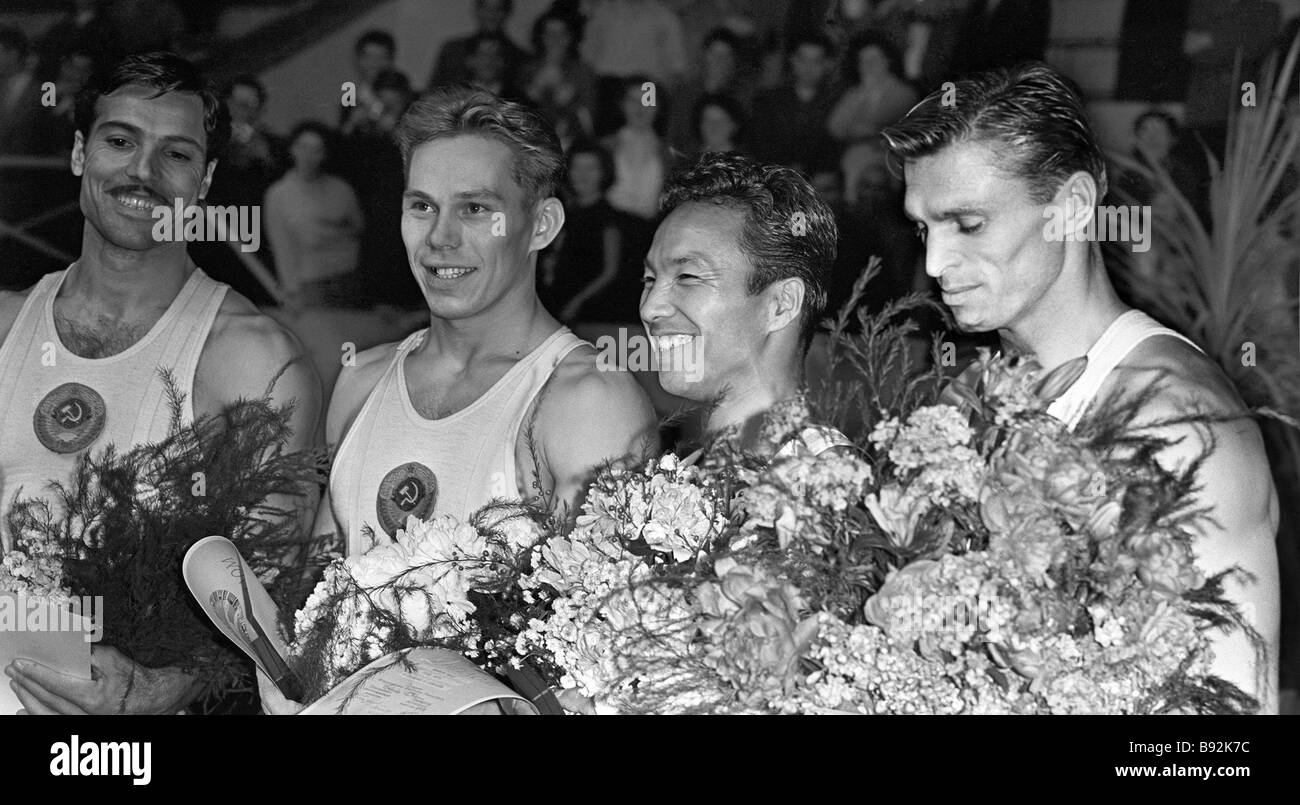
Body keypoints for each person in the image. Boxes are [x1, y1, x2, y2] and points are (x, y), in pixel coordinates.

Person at [881, 62, 1281, 711]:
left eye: (969, 224)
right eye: (925, 227)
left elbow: (1219, 741)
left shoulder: (1179, 421)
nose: (933, 263)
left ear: (1070, 207)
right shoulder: (966, 399)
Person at [0, 51, 321, 714]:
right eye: (120, 141)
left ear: (203, 182)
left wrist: (154, 689)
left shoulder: (254, 360)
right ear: (80, 154)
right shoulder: (4, 326)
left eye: (173, 154)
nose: (142, 172)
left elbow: (269, 603)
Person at [316, 85, 657, 555]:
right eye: (422, 206)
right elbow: (311, 596)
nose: (439, 236)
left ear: (541, 226)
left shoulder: (590, 404)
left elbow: (606, 619)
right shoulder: (361, 380)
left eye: (474, 209)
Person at [640, 152, 850, 457]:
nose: (650, 308)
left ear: (781, 304)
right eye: (648, 280)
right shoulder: (689, 472)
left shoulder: (824, 482)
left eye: (687, 276)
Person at [264, 121, 363, 309]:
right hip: (309, 283)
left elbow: (358, 228)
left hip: (347, 276)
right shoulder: (279, 194)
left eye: (316, 150)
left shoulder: (341, 189)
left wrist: (326, 232)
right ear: (292, 149)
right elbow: (282, 246)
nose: (308, 156)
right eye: (303, 147)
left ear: (325, 154)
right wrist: (290, 290)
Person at [539, 140, 629, 323]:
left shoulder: (608, 218)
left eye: (590, 168)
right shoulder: (562, 212)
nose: (582, 175)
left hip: (588, 316)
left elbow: (610, 271)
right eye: (576, 168)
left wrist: (577, 302)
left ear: (604, 172)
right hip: (552, 305)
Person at [827, 32, 917, 204]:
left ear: (887, 61)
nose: (869, 66)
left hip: (890, 158)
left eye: (874, 59)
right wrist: (861, 95)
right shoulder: (854, 94)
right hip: (854, 159)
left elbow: (900, 125)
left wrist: (872, 130)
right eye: (863, 61)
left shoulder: (903, 92)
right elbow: (835, 128)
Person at [748, 31, 840, 176]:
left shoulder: (836, 105)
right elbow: (759, 144)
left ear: (827, 64)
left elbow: (833, 149)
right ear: (793, 59)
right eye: (803, 59)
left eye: (816, 61)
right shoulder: (768, 101)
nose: (808, 67)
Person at [428, 0, 528, 90]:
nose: (491, 15)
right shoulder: (453, 51)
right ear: (477, 10)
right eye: (486, 8)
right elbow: (433, 92)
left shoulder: (519, 57)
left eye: (498, 9)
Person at [338, 29, 396, 131]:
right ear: (358, 60)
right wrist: (352, 122)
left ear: (390, 61)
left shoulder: (404, 94)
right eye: (368, 57)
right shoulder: (350, 96)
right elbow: (342, 135)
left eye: (381, 57)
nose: (373, 63)